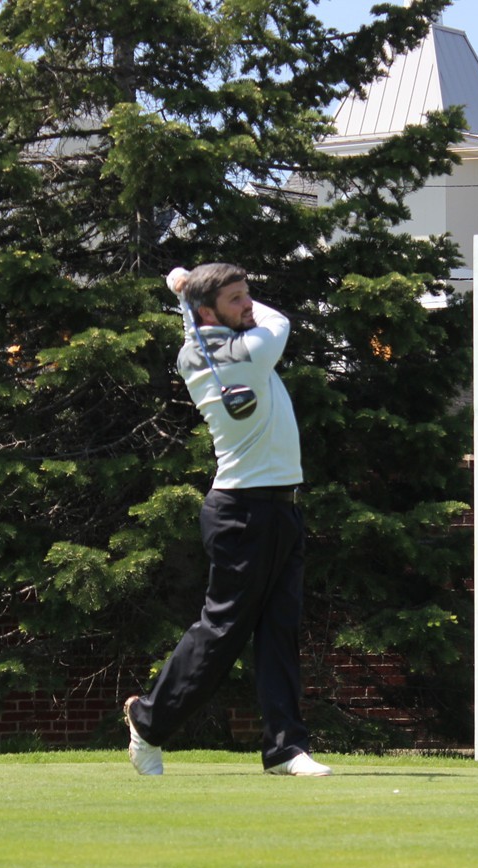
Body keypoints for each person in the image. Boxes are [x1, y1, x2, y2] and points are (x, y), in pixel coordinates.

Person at [122, 264, 331, 777]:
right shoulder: (249, 351)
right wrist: (189, 289)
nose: (248, 304)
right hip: (242, 512)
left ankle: (285, 749)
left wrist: (188, 293)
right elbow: (279, 322)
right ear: (209, 313)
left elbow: (199, 326)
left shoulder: (197, 347)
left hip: (278, 507)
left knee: (279, 629)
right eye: (236, 298)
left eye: (247, 294)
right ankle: (147, 721)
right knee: (223, 631)